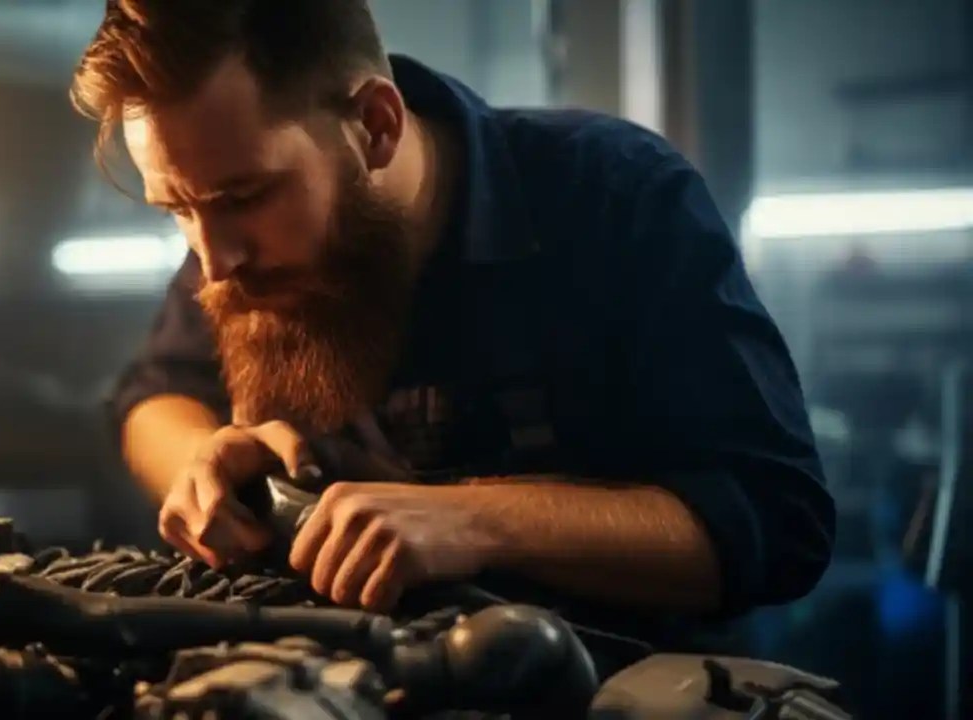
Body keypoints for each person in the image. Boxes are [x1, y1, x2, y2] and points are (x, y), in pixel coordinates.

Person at [72, 0, 834, 637]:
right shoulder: (239, 239)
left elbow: (776, 523)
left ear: (375, 124)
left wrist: (475, 521)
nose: (211, 261)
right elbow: (151, 397)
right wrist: (205, 462)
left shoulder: (614, 196)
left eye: (242, 198)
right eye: (178, 208)